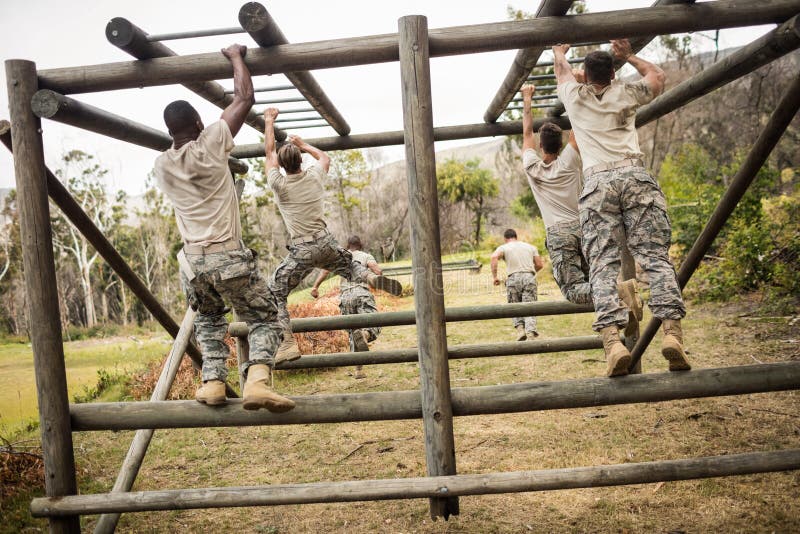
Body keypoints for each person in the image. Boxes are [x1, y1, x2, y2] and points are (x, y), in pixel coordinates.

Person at [153, 44, 294, 412]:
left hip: (191, 264)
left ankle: (213, 383)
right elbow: (244, 97)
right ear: (200, 125)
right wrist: (235, 57)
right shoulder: (211, 143)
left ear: (170, 132)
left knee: (210, 318)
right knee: (265, 315)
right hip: (226, 255)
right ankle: (258, 380)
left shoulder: (162, 166)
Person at [553, 39, 691, 377]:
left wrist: (559, 53)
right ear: (613, 74)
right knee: (656, 257)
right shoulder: (626, 92)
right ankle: (672, 335)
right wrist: (628, 55)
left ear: (585, 75)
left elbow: (562, 73)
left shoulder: (575, 96)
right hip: (634, 175)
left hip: (598, 183)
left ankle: (613, 343)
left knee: (601, 265)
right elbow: (657, 76)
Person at [262, 109, 403, 364]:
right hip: (326, 241)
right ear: (301, 160)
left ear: (282, 166)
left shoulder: (279, 184)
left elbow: (269, 152)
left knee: (274, 293)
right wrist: (303, 144)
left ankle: (287, 344)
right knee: (349, 267)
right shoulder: (314, 176)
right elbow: (324, 157)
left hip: (302, 249)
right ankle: (370, 277)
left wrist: (269, 121)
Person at [519, 85, 640, 325]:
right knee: (592, 278)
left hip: (559, 233)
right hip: (584, 228)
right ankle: (619, 315)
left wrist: (527, 99)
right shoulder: (570, 160)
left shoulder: (533, 168)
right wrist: (574, 87)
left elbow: (526, 135)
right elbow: (577, 125)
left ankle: (618, 291)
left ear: (541, 146)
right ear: (561, 145)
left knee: (573, 290)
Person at [310, 235, 383, 379]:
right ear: (360, 244)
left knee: (352, 333)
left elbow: (325, 271)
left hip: (345, 297)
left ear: (348, 245)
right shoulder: (366, 256)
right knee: (374, 322)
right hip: (361, 293)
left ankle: (358, 371)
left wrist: (315, 287)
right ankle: (366, 334)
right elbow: (378, 272)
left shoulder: (341, 257)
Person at [491, 229, 543, 341]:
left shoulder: (504, 247)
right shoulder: (530, 247)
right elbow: (539, 264)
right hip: (529, 277)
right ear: (516, 237)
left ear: (505, 239)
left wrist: (495, 277)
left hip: (513, 278)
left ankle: (520, 330)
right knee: (530, 305)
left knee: (514, 306)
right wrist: (530, 272)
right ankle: (531, 333)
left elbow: (494, 257)